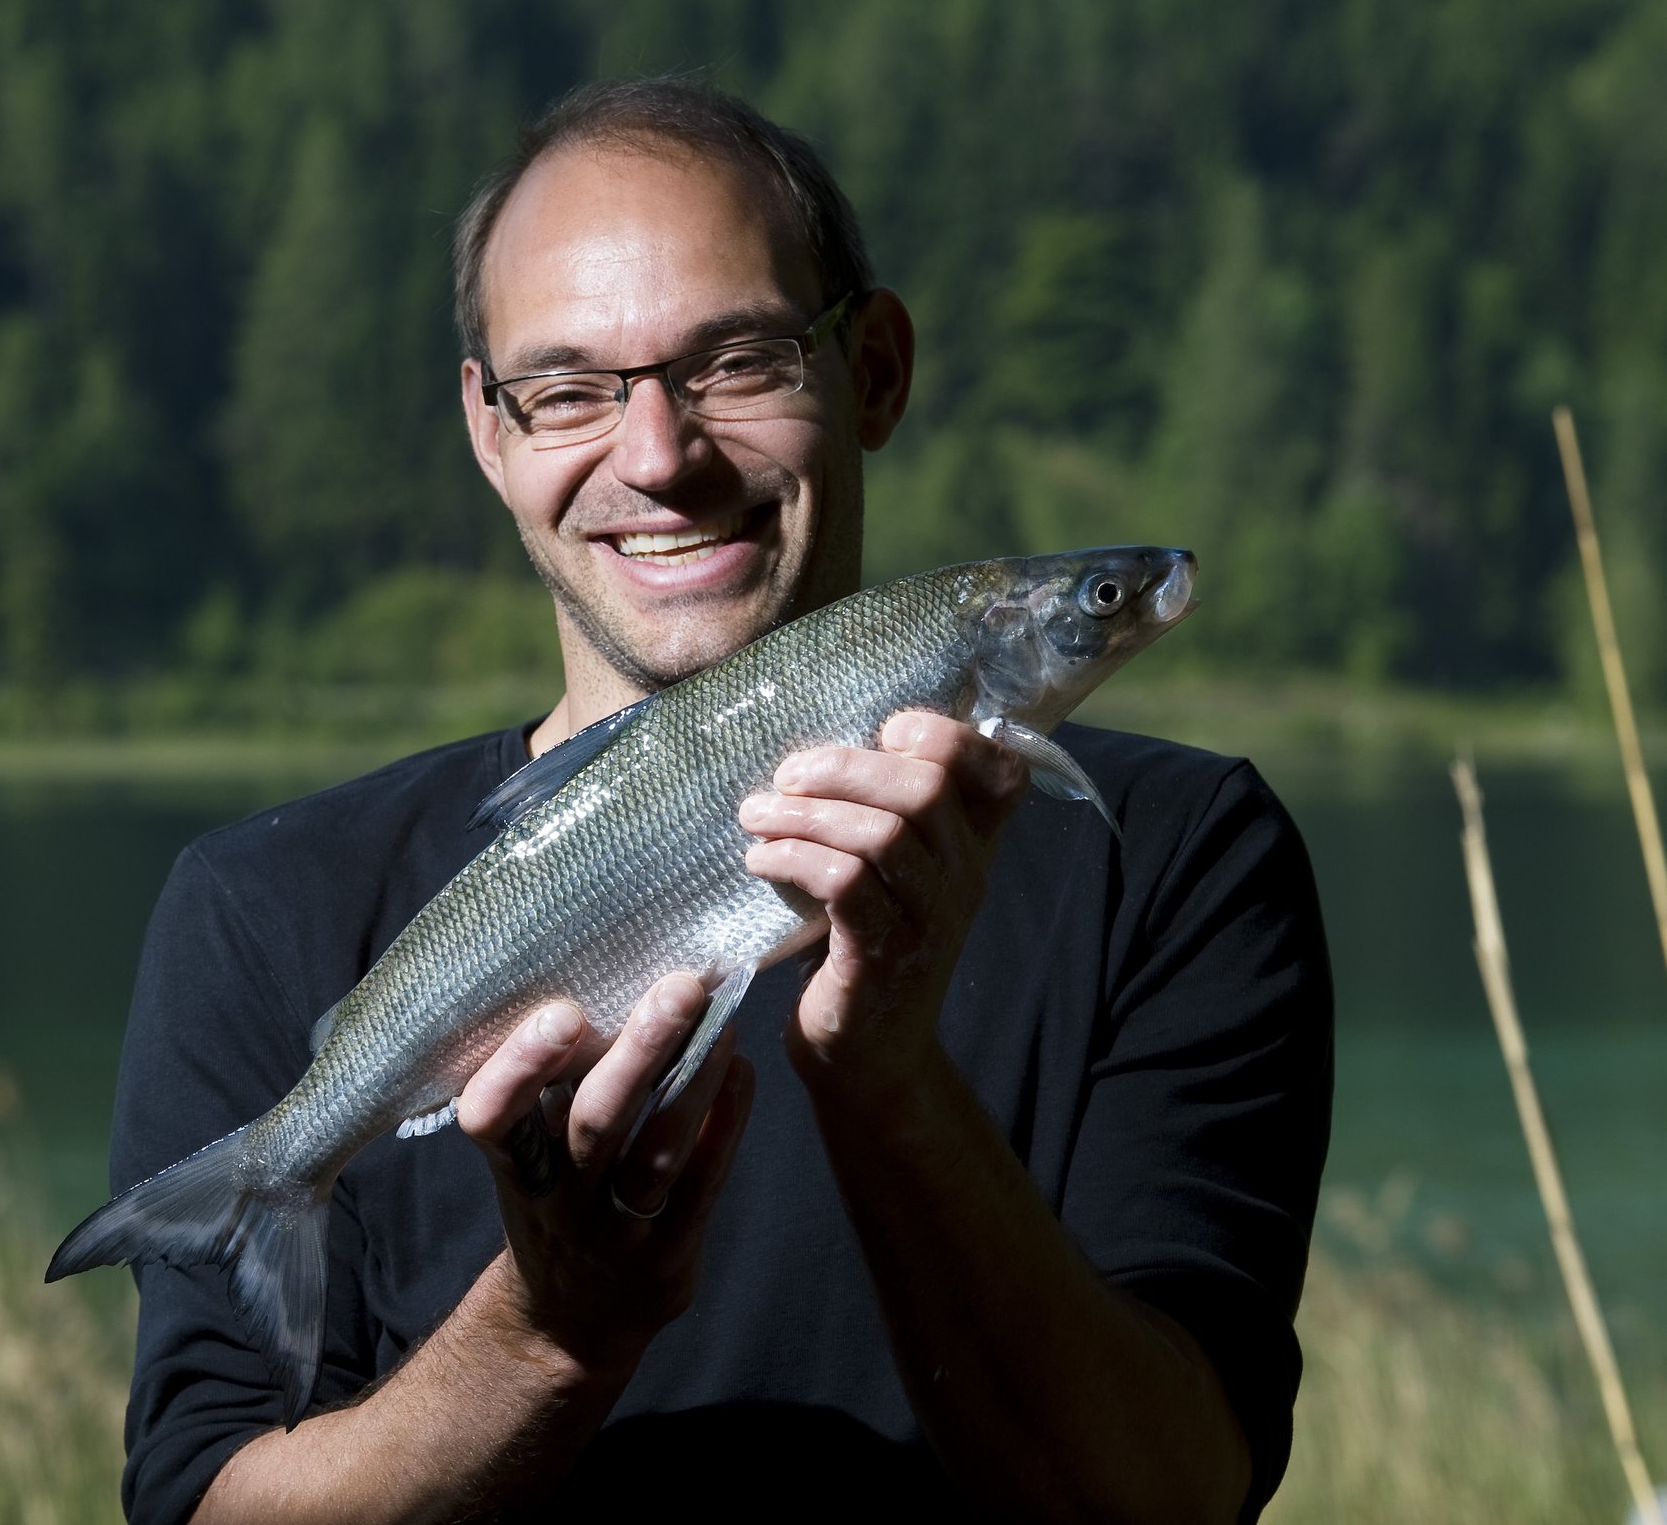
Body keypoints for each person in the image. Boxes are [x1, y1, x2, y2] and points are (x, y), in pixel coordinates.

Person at [106, 78, 1333, 1525]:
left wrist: (890, 1084)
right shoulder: (266, 905)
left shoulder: (1179, 859)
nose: (657, 457)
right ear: (488, 431)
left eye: (737, 364)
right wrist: (550, 1331)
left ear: (874, 370)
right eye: (567, 391)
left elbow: (1171, 1494)